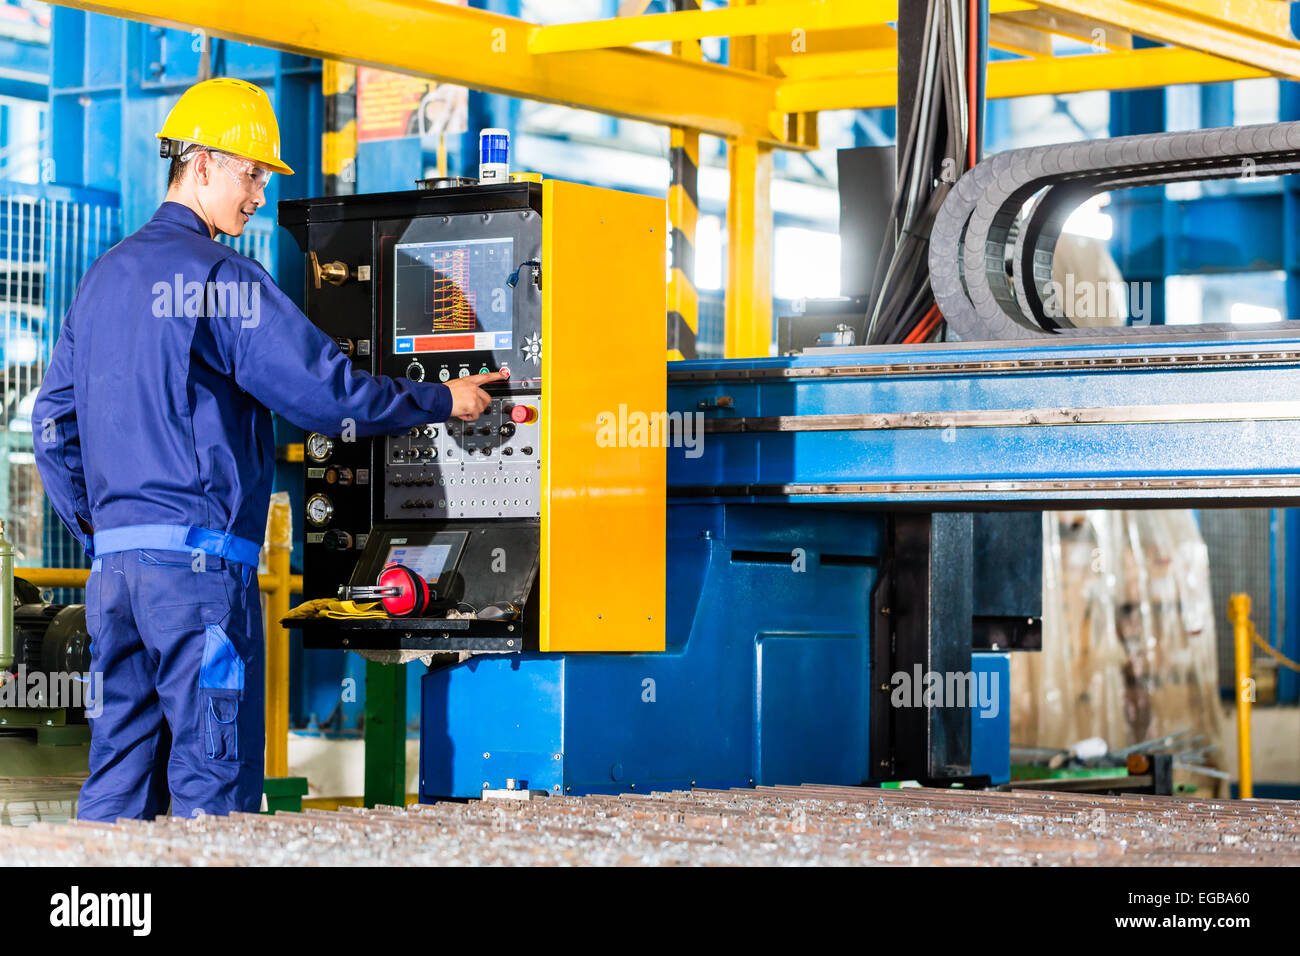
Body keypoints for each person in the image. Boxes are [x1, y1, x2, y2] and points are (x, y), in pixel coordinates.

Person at [31, 76, 504, 821]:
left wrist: (105, 527)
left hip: (115, 578)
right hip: (197, 579)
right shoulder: (220, 279)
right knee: (210, 787)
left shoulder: (101, 280)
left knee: (117, 779)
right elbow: (326, 392)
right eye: (250, 174)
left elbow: (52, 427)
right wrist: (443, 399)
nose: (257, 196)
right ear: (200, 164)